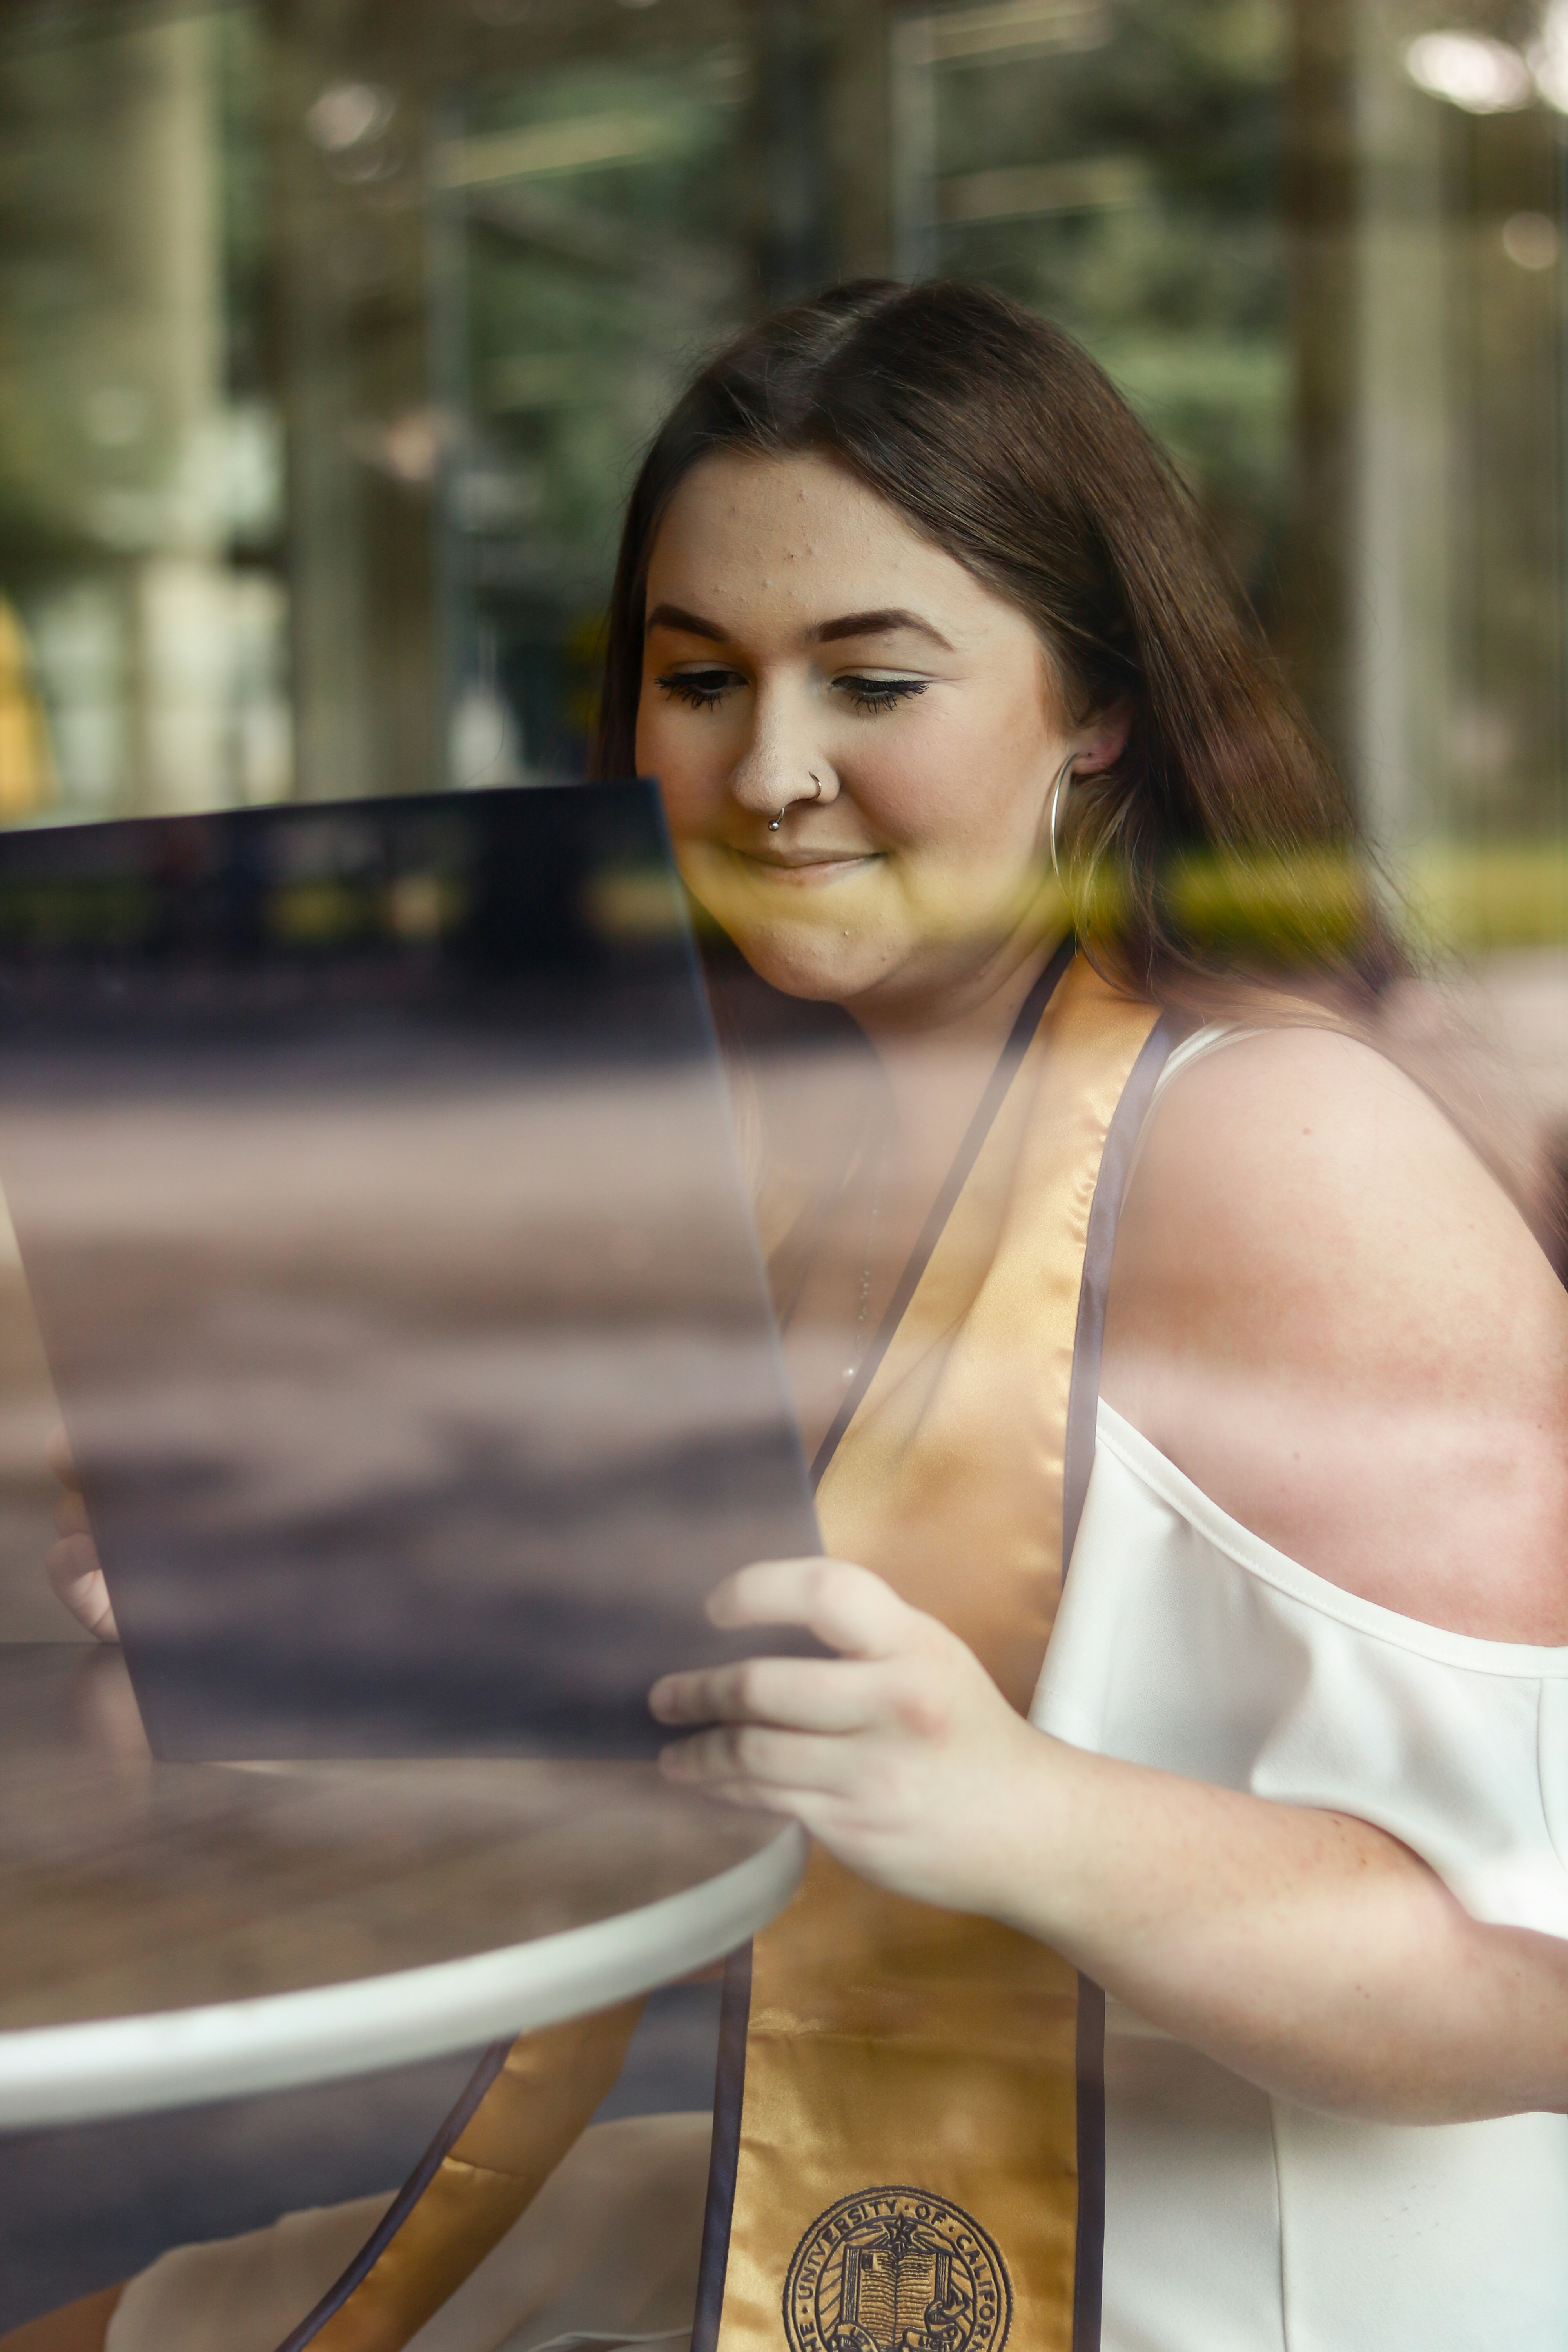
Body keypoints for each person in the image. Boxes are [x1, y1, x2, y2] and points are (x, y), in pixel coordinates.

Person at [20, 279, 1568, 2352]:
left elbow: (1531, 1992)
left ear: (1093, 708)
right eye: (698, 677)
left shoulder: (1276, 1152)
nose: (769, 773)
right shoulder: (714, 1126)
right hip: (788, 2180)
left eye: (874, 681)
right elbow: (615, 1790)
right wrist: (278, 1630)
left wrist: (1011, 1808)